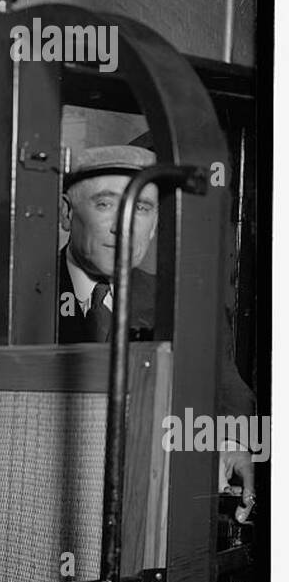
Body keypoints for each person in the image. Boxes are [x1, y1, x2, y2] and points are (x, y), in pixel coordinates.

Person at [58, 143, 255, 517]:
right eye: (105, 204)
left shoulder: (187, 306)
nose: (124, 225)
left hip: (152, 513)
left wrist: (231, 443)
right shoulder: (17, 302)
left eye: (142, 208)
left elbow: (231, 396)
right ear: (66, 213)